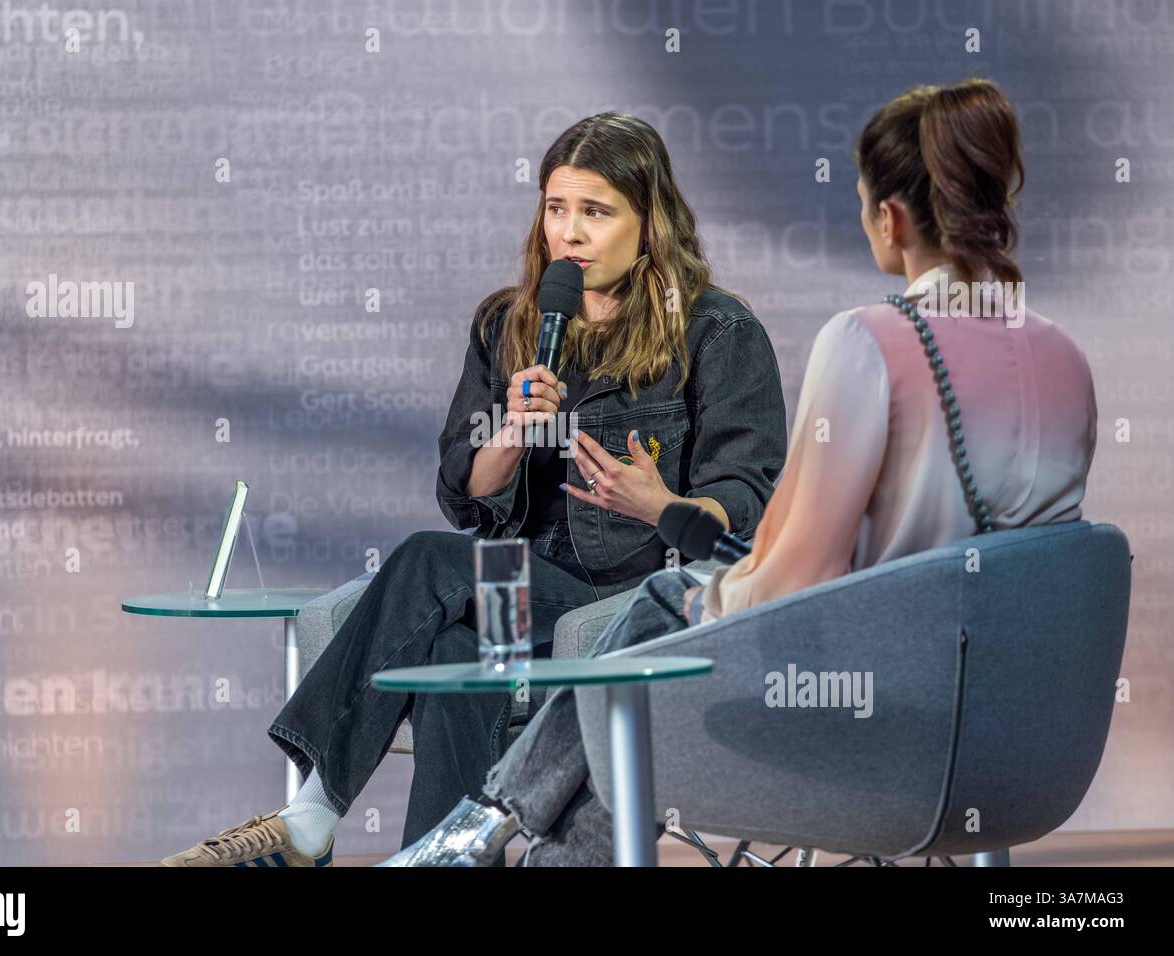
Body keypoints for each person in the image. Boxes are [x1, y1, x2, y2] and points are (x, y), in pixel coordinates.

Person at [383, 78, 1099, 866]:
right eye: (558, 209)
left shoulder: (870, 341)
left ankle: (488, 817)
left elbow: (793, 570)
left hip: (877, 720)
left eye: (862, 204)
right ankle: (489, 824)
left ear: (891, 219)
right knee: (639, 652)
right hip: (1025, 739)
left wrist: (694, 586)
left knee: (654, 628)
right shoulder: (1067, 358)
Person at [161, 112, 788, 867]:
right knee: (457, 651)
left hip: (636, 600)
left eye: (596, 211)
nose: (571, 234)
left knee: (430, 561)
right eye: (557, 209)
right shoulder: (509, 323)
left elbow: (744, 501)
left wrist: (659, 506)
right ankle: (441, 856)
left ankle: (311, 815)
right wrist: (513, 432)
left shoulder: (716, 332)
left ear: (649, 223)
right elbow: (462, 490)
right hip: (518, 589)